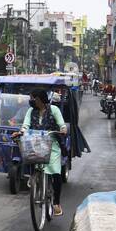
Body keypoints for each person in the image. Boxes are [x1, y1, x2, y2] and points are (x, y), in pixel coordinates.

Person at [17, 87, 68, 217]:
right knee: (28, 158)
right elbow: (26, 125)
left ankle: (56, 203)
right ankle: (34, 179)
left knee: (56, 172)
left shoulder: (54, 110)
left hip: (52, 145)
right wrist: (21, 131)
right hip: (35, 143)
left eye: (33, 98)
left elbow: (62, 124)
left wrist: (63, 129)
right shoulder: (31, 111)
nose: (31, 101)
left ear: (40, 99)